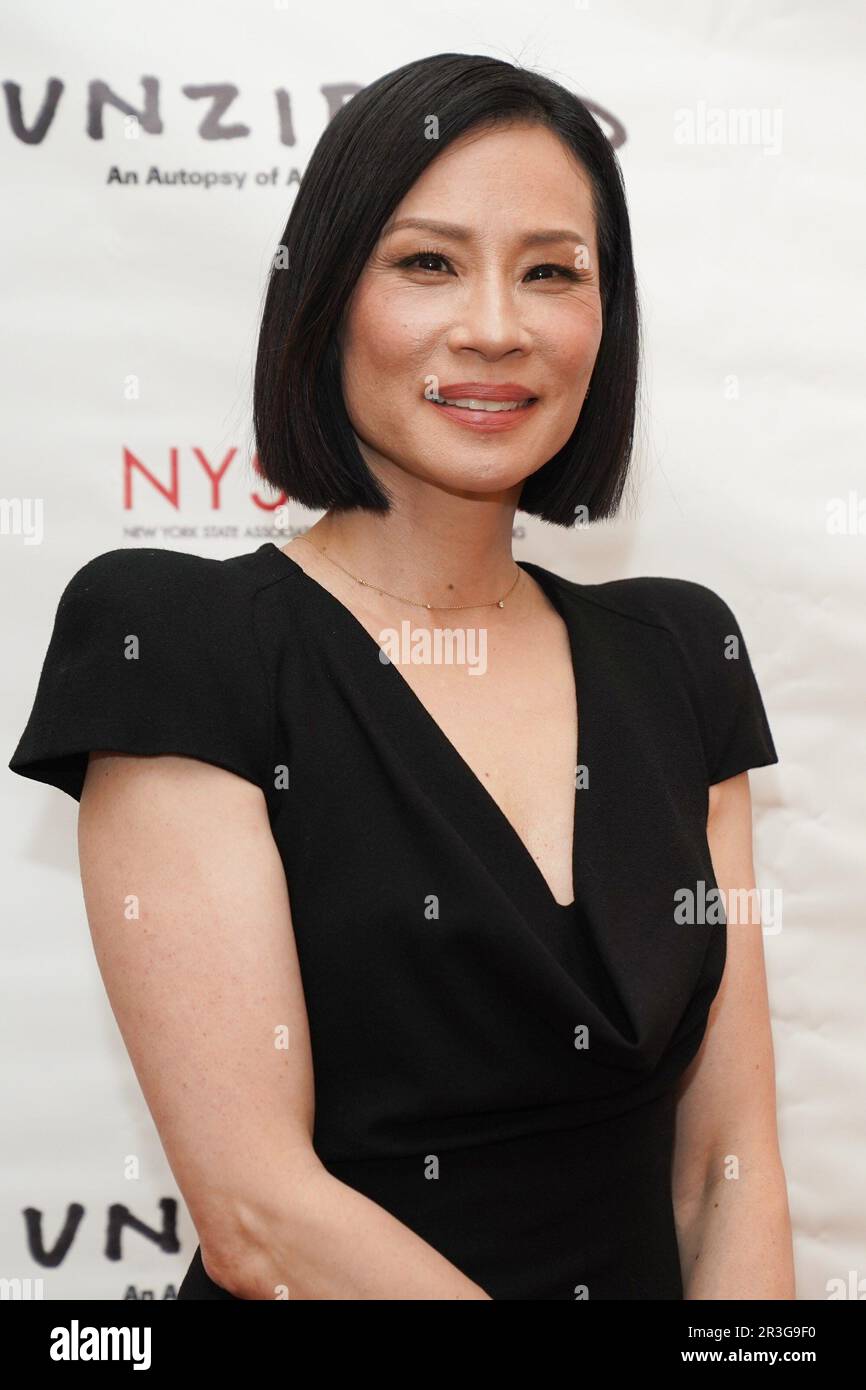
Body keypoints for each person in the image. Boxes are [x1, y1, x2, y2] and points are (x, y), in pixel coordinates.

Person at [8, 53, 794, 1300]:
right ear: (326, 295)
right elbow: (261, 1219)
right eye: (427, 262)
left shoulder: (679, 653)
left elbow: (725, 1168)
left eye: (551, 271)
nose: (496, 324)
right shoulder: (182, 639)